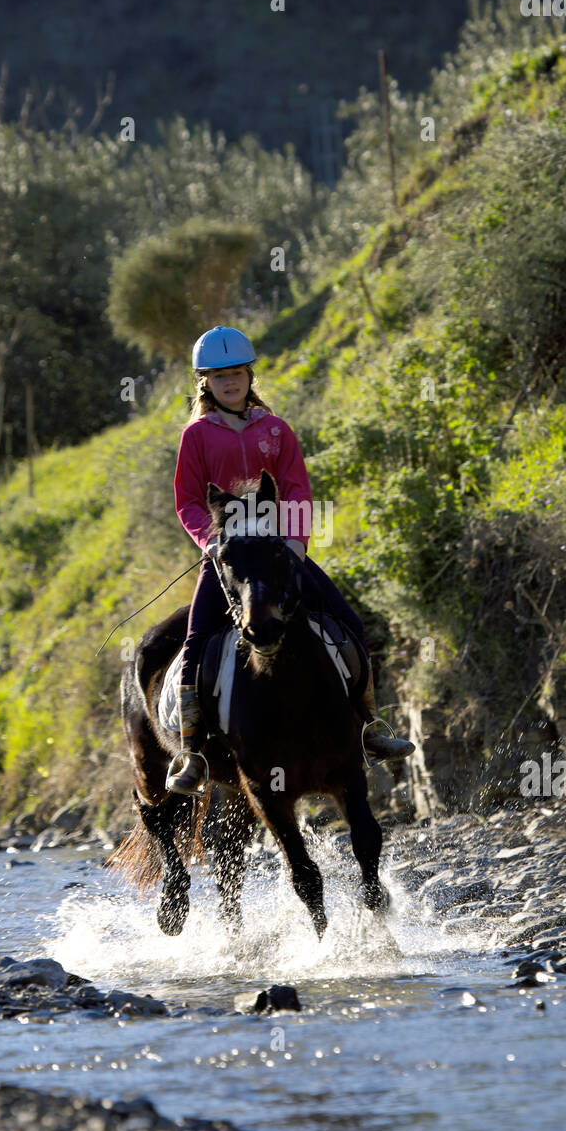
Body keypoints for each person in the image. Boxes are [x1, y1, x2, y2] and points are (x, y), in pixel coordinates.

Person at [168, 324, 415, 794]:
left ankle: (369, 727)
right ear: (207, 384)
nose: (230, 383)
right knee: (197, 642)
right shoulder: (196, 435)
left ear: (249, 374)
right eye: (220, 377)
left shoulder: (276, 429)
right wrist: (209, 542)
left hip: (280, 552)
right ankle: (193, 751)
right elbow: (187, 501)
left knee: (347, 622)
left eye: (237, 373)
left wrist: (297, 540)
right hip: (228, 557)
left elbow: (297, 486)